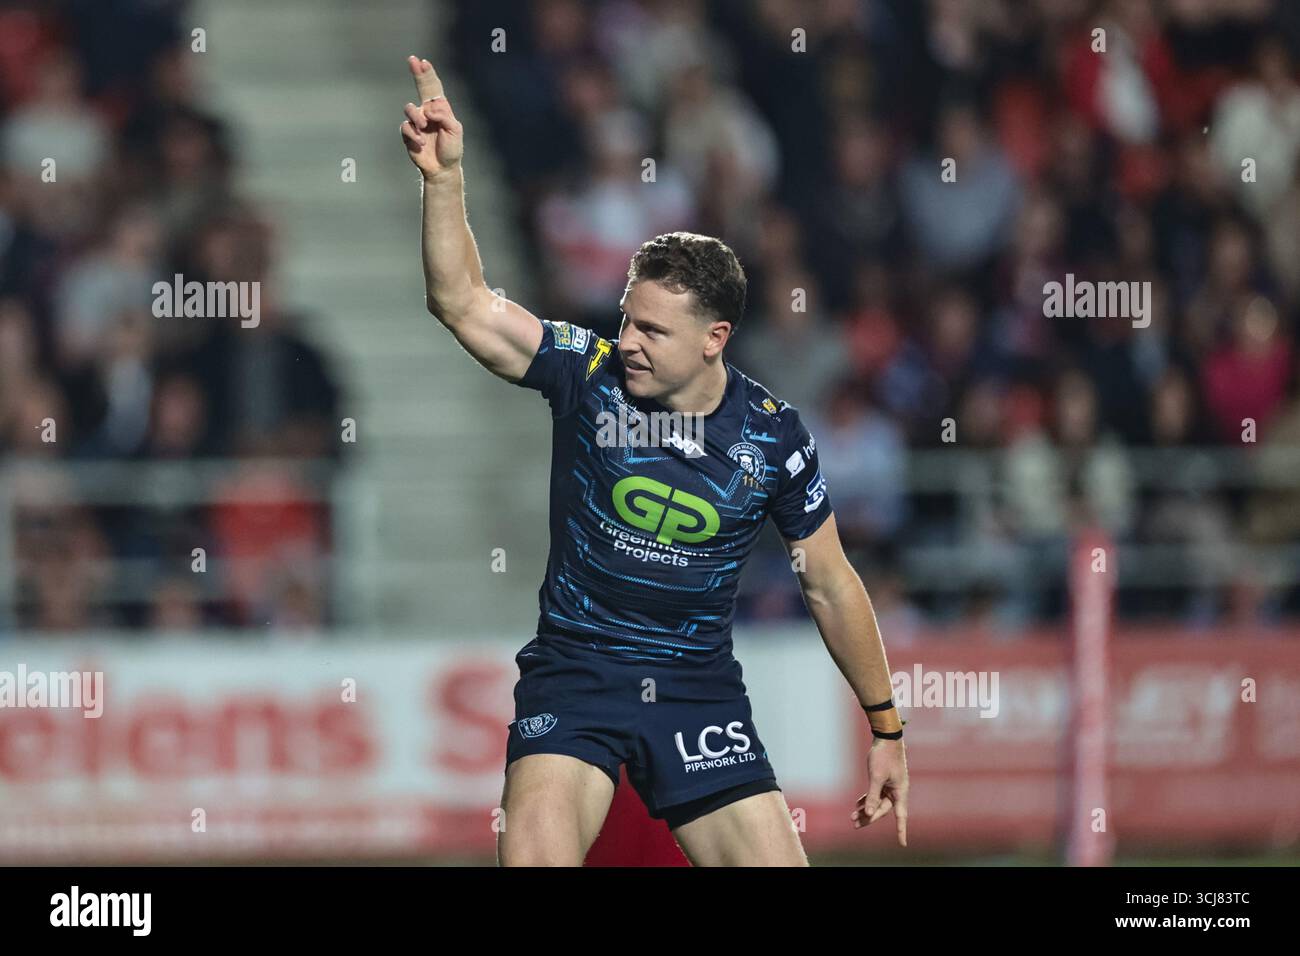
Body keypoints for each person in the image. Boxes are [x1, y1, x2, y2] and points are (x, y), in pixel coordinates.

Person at [401, 55, 908, 867]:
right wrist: (444, 179)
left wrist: (886, 728)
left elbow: (829, 579)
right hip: (576, 676)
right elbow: (461, 301)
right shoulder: (588, 371)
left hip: (694, 691)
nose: (627, 340)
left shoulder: (774, 439)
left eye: (653, 331)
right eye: (628, 318)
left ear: (716, 339)